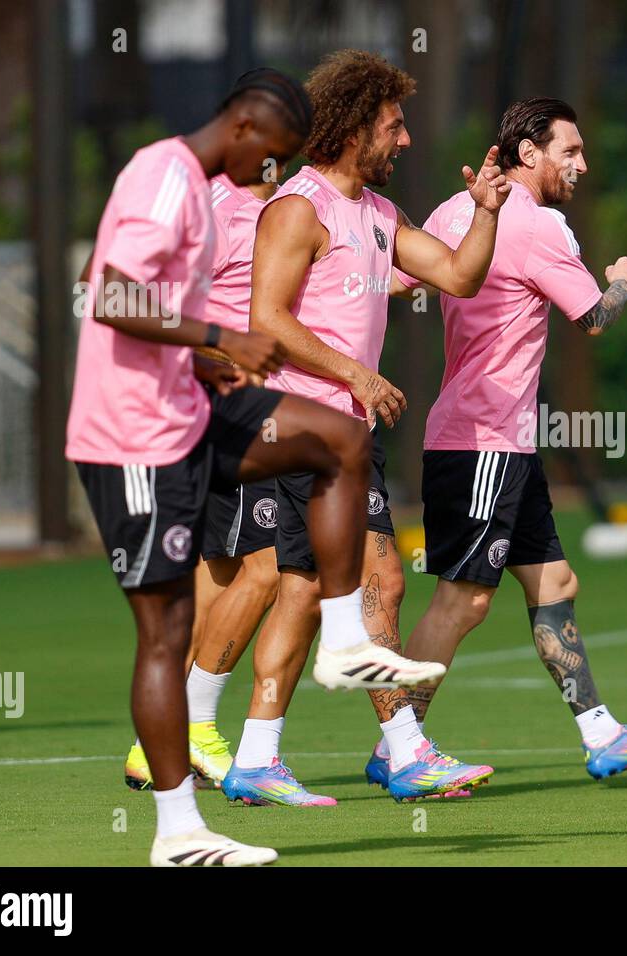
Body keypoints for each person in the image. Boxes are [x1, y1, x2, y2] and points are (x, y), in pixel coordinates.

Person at [67, 69, 442, 866]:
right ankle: (176, 833)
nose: (272, 172)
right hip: (130, 438)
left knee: (338, 436)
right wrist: (219, 340)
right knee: (165, 634)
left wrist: (207, 368)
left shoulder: (213, 196)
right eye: (269, 153)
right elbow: (105, 296)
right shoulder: (164, 175)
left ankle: (343, 637)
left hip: (191, 411)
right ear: (241, 126)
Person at [221, 50, 508, 807]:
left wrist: (485, 210)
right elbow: (266, 320)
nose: (405, 141)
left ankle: (255, 757)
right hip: (301, 429)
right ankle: (407, 752)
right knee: (380, 580)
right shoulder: (296, 209)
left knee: (302, 590)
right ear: (352, 130)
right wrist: (354, 374)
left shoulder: (380, 216)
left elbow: (457, 276)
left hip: (342, 435)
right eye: (393, 126)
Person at [395, 97, 627, 783]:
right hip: (482, 441)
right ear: (529, 153)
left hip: (498, 440)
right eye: (570, 151)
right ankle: (397, 745)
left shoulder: (450, 210)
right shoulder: (541, 225)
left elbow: (396, 282)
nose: (583, 164)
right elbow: (592, 316)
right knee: (462, 600)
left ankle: (602, 733)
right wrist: (623, 283)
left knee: (554, 580)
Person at [122, 172, 282, 792]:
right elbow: (146, 294)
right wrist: (206, 360)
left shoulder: (276, 200)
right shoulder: (213, 205)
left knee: (215, 573)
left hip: (231, 411)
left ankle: (150, 744)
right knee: (269, 567)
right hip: (226, 412)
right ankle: (198, 728)